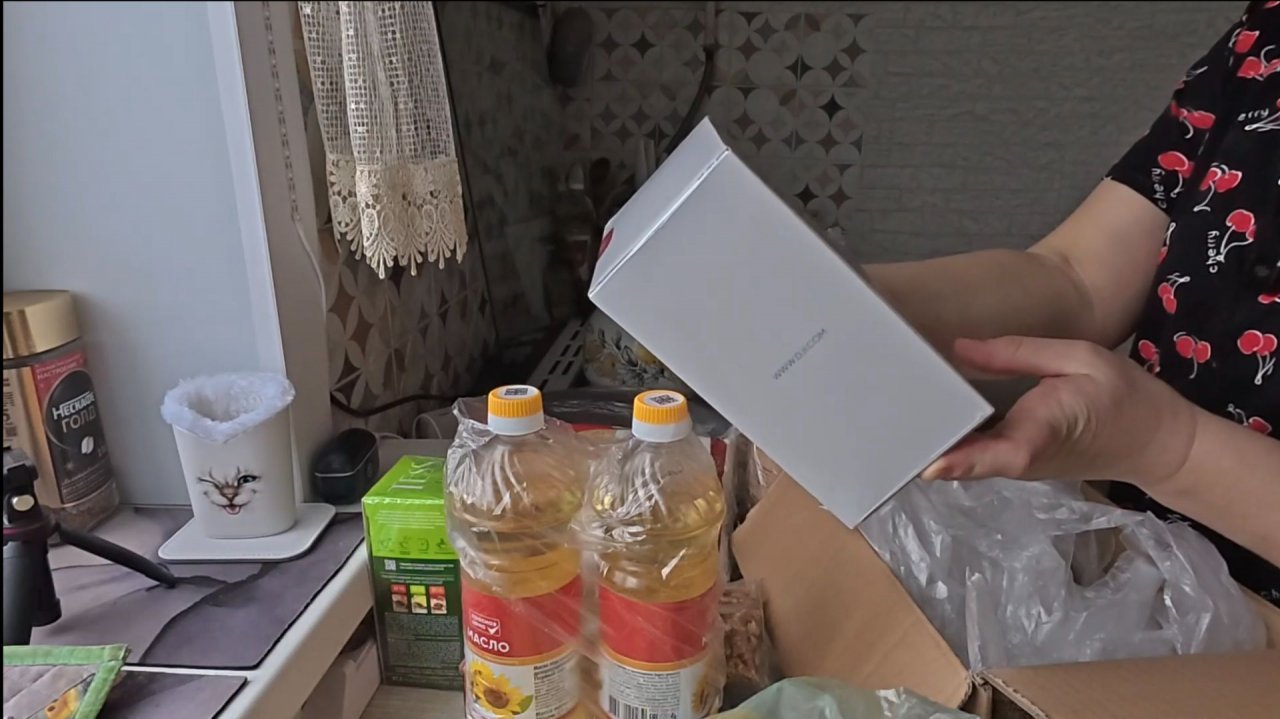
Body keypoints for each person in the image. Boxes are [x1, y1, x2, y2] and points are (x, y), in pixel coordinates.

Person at [867, 1, 1279, 604]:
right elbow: (1078, 277)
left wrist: (1170, 447)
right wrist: (853, 305)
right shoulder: (1267, 34)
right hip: (1146, 589)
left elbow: (1162, 441)